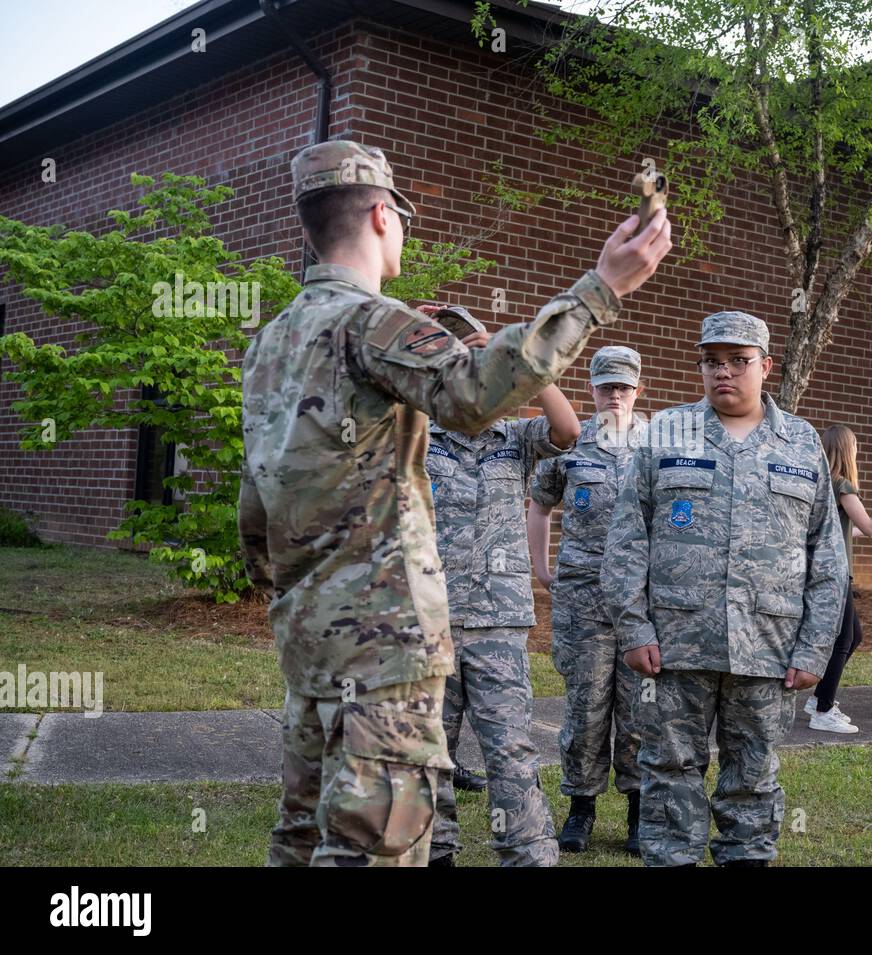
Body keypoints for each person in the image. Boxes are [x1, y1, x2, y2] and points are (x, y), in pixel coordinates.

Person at [238, 139, 671, 867]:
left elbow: (256, 497)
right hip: (385, 649)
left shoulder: (270, 343)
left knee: (304, 833)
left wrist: (280, 587)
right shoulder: (375, 322)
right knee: (378, 842)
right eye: (401, 218)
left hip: (310, 640)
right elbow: (474, 394)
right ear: (382, 216)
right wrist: (601, 288)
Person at [603, 311, 847, 867]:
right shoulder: (666, 431)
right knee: (668, 772)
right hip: (675, 644)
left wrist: (813, 649)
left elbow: (827, 557)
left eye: (738, 361)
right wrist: (634, 626)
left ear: (765, 366)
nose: (723, 373)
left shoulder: (802, 442)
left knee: (754, 778)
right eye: (712, 361)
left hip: (768, 647)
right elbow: (626, 539)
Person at [423, 313, 580, 867]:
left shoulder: (514, 438)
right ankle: (433, 850)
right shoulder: (416, 435)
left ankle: (527, 853)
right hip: (428, 620)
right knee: (427, 748)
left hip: (497, 622)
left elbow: (568, 431)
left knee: (510, 748)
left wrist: (517, 356)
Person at [528, 346, 648, 854]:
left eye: (623, 386)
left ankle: (641, 811)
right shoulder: (570, 445)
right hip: (582, 596)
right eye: (606, 386)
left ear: (638, 389)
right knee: (586, 703)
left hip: (643, 601)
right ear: (592, 389)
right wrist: (541, 569)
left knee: (643, 706)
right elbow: (539, 506)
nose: (614, 395)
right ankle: (581, 807)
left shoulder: (661, 445)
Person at [804, 424, 872, 734]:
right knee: (843, 639)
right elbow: (871, 527)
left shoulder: (820, 485)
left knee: (854, 635)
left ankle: (819, 699)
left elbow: (854, 529)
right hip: (836, 573)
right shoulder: (842, 486)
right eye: (856, 448)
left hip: (821, 571)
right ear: (848, 451)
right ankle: (822, 711)